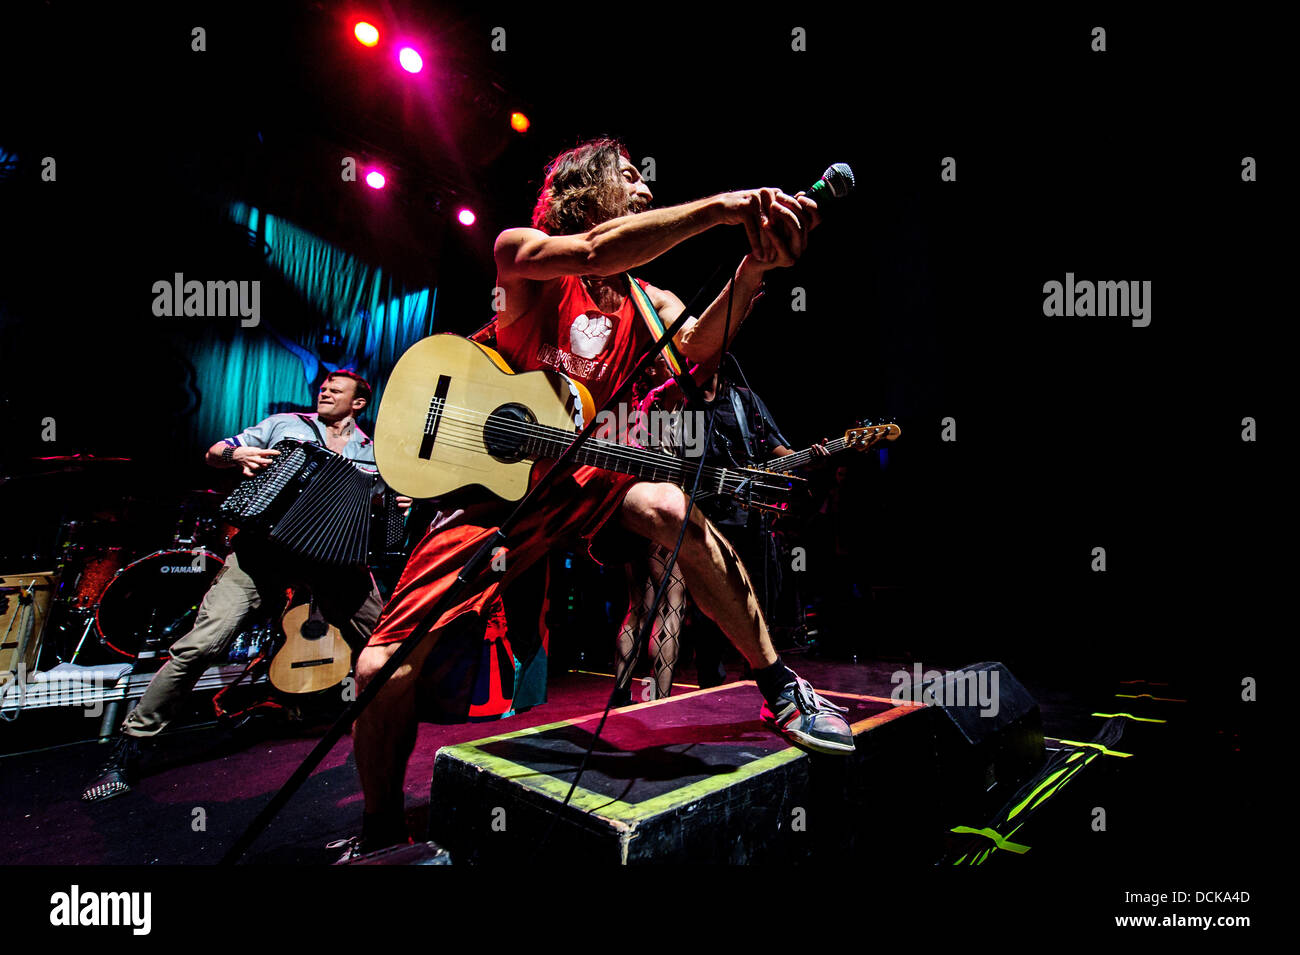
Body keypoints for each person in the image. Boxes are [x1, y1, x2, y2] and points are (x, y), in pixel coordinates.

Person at [349, 138, 853, 857]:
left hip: (589, 474)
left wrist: (752, 269)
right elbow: (589, 252)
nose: (646, 192)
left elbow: (701, 351)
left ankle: (778, 684)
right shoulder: (523, 251)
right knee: (379, 669)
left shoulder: (654, 303)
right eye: (630, 180)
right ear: (582, 189)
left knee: (672, 507)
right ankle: (379, 826)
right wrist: (722, 207)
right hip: (504, 490)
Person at [81, 371, 400, 801]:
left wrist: (399, 502)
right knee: (200, 646)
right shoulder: (286, 424)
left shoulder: (377, 453)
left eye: (336, 390)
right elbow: (216, 451)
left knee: (384, 643)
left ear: (359, 403)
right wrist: (235, 456)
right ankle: (130, 746)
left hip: (335, 562)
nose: (324, 392)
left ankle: (386, 732)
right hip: (261, 554)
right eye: (322, 387)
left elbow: (389, 512)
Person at [614, 367, 827, 699]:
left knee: (642, 605)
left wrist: (807, 458)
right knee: (671, 608)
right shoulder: (673, 398)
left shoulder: (650, 400)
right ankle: (659, 701)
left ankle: (625, 695)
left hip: (641, 500)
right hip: (674, 508)